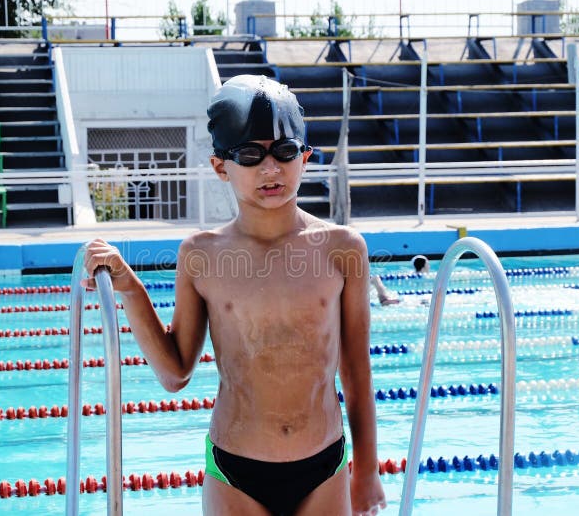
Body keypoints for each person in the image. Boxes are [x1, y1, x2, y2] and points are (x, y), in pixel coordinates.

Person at [83, 75, 386, 516]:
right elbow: (175, 373)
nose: (270, 169)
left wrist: (368, 471)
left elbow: (357, 374)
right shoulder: (202, 255)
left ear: (305, 158)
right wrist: (130, 287)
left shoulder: (342, 250)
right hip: (235, 471)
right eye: (250, 155)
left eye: (284, 153)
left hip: (325, 465)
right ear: (221, 166)